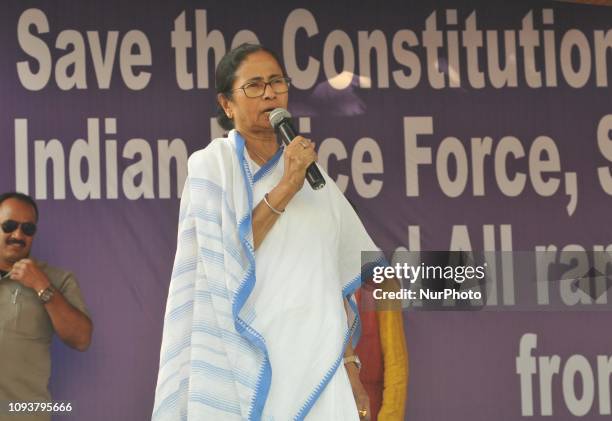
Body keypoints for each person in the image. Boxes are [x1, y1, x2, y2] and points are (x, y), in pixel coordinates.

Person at [153, 43, 384, 420]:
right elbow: (228, 254)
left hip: (318, 365)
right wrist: (289, 184)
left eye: (277, 82)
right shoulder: (211, 167)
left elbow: (333, 279)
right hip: (243, 360)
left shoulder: (314, 176)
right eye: (255, 85)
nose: (270, 92)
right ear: (227, 104)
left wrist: (350, 369)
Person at [0, 192, 92, 421]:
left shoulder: (56, 279)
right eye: (9, 225)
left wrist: (42, 286)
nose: (18, 235)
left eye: (28, 229)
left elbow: (81, 339)